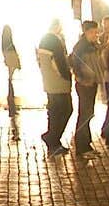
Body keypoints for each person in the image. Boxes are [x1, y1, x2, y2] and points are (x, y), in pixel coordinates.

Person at [37, 19, 73, 157]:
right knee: (65, 110)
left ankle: (52, 139)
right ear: (58, 26)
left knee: (53, 112)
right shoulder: (54, 41)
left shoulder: (43, 40)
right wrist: (67, 76)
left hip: (49, 82)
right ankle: (53, 138)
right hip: (59, 84)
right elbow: (59, 63)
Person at [69, 20, 104, 155]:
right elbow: (76, 65)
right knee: (85, 113)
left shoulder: (91, 45)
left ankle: (86, 144)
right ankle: (82, 146)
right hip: (85, 84)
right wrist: (83, 78)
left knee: (88, 113)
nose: (96, 35)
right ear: (87, 32)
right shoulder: (81, 47)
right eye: (94, 32)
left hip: (91, 82)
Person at [0, 24, 22, 141]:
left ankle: (11, 106)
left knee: (10, 85)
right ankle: (12, 106)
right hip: (12, 64)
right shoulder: (10, 45)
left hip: (9, 63)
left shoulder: (4, 45)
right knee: (11, 85)